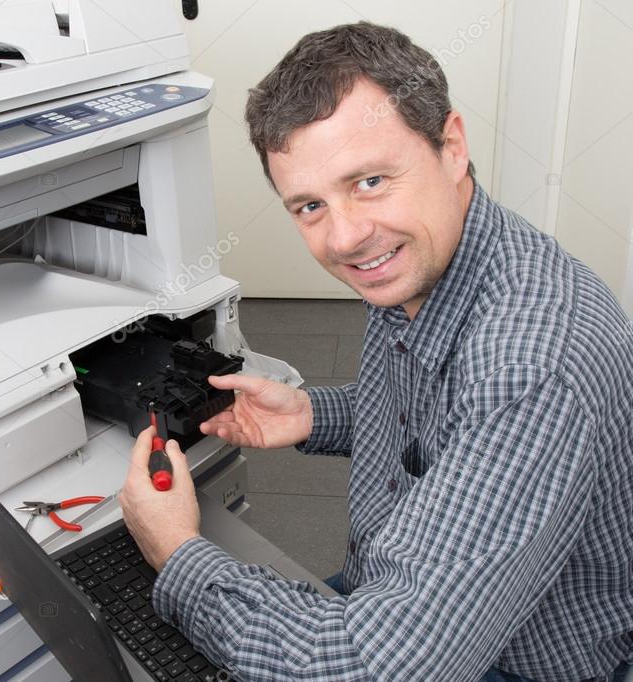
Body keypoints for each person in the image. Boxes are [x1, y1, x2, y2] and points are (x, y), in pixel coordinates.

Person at [119, 21, 633, 682]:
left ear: (451, 146)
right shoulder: (422, 255)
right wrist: (315, 414)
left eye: (368, 181)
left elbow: (376, 668)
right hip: (402, 603)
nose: (345, 238)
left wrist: (176, 551)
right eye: (309, 205)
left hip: (509, 661)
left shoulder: (532, 364)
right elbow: (450, 412)